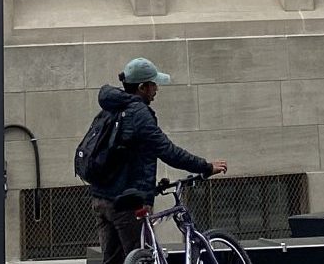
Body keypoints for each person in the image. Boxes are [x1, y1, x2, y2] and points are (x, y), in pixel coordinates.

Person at [87, 58, 228, 264]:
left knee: (113, 261)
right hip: (127, 202)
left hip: (101, 198)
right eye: (153, 84)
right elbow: (167, 150)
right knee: (143, 258)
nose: (156, 89)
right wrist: (205, 167)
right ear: (142, 87)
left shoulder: (113, 107)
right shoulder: (139, 113)